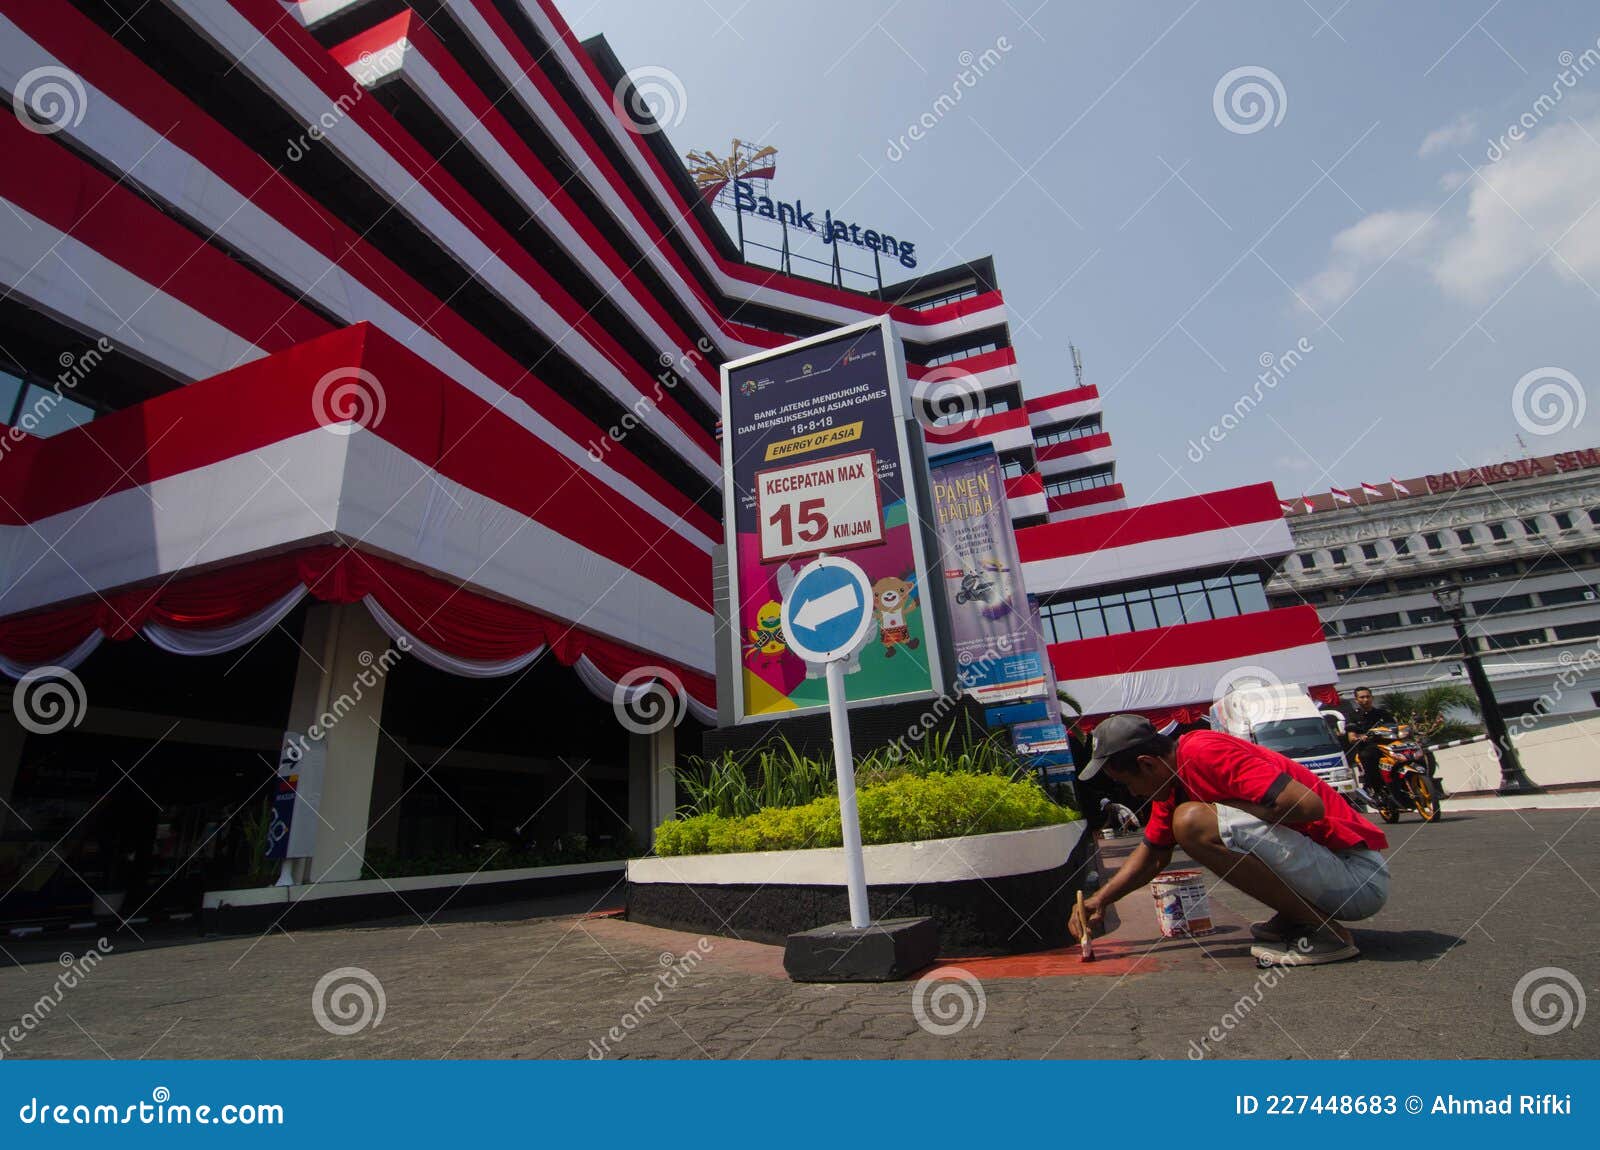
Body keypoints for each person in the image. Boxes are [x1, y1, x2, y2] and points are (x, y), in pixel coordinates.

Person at [1067, 714, 1390, 966]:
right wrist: (1100, 901)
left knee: (1192, 822)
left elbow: (1308, 806)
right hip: (1332, 876)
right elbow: (1153, 854)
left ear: (1147, 764)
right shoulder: (1171, 786)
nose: (1133, 794)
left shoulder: (1203, 751)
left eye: (1127, 783)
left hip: (1357, 879)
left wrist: (1223, 808)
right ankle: (1300, 918)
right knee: (1190, 818)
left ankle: (1324, 933)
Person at [1344, 687, 1397, 796]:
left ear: (1372, 698)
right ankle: (1376, 790)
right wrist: (1360, 737)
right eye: (1362, 697)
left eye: (1368, 696)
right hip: (1368, 748)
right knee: (1368, 756)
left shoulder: (1382, 713)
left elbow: (1395, 727)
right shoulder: (1353, 716)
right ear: (1356, 700)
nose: (1366, 699)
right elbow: (1351, 738)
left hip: (1388, 746)